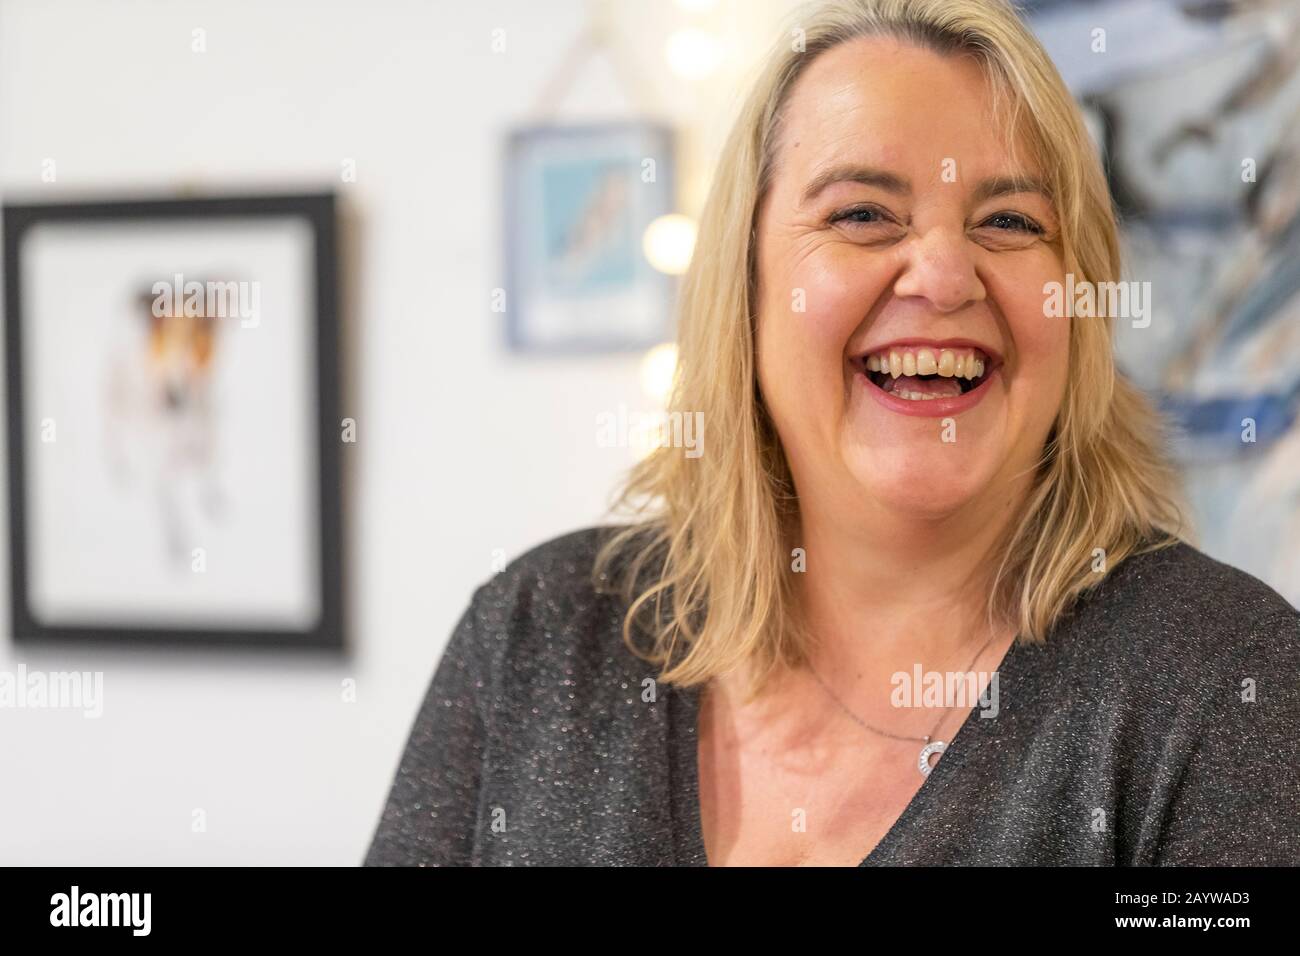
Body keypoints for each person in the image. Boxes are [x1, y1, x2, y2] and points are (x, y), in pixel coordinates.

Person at [364, 0, 1300, 866]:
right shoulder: (533, 637)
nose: (942, 274)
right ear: (747, 288)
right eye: (861, 214)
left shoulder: (1225, 686)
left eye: (1011, 220)